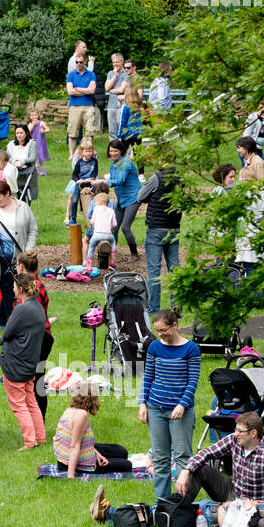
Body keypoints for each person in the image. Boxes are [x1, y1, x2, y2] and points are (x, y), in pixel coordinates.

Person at [140, 308, 201, 500]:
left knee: (183, 456)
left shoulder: (191, 349)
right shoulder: (155, 347)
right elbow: (148, 377)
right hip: (156, 409)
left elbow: (193, 381)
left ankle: (183, 502)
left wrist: (182, 405)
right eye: (157, 331)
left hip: (180, 411)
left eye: (163, 330)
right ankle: (163, 503)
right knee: (160, 459)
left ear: (174, 325)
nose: (160, 334)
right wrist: (143, 403)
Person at [0, 272, 45, 448]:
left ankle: (30, 441)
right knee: (31, 401)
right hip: (30, 363)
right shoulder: (38, 307)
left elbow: (8, 332)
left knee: (19, 405)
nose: (12, 290)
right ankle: (40, 438)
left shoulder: (21, 308)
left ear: (20, 289)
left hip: (15, 363)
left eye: (13, 286)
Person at [0, 179, 37, 324]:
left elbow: (33, 229)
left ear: (7, 193)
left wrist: (28, 250)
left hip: (19, 257)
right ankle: (12, 322)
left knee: (22, 286)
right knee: (7, 289)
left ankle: (4, 320)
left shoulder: (23, 207)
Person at [54, 378, 132, 476]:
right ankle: (80, 467)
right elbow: (74, 446)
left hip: (66, 458)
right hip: (71, 463)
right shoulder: (81, 415)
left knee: (121, 452)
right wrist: (70, 475)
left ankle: (97, 455)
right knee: (127, 465)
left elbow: (78, 441)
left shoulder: (70, 410)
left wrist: (97, 454)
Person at [137, 163, 180, 313]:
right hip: (174, 227)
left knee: (154, 271)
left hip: (156, 229)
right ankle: (177, 305)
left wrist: (153, 197)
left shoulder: (156, 178)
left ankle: (153, 309)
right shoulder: (179, 179)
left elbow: (140, 196)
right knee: (174, 269)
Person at [106, 139, 141, 263]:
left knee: (125, 227)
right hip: (121, 199)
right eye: (111, 151)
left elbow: (120, 181)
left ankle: (134, 254)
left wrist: (104, 182)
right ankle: (112, 253)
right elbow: (113, 181)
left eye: (115, 151)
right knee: (113, 227)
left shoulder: (126, 163)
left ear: (121, 151)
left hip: (133, 197)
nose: (113, 153)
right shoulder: (113, 164)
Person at [65, 56, 97, 159]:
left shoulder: (91, 74)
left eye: (81, 62)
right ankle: (71, 154)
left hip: (88, 106)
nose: (79, 64)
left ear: (85, 62)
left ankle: (89, 153)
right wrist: (85, 90)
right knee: (73, 131)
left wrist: (77, 89)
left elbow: (92, 90)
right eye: (77, 62)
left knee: (89, 132)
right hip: (74, 106)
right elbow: (70, 91)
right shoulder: (71, 75)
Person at [103, 54, 128, 141]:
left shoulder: (126, 74)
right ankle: (113, 150)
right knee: (112, 131)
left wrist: (110, 90)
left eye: (117, 62)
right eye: (113, 62)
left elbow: (121, 90)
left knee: (121, 130)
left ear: (122, 62)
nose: (115, 64)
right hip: (111, 105)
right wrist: (115, 76)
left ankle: (123, 150)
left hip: (121, 106)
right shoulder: (110, 73)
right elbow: (106, 87)